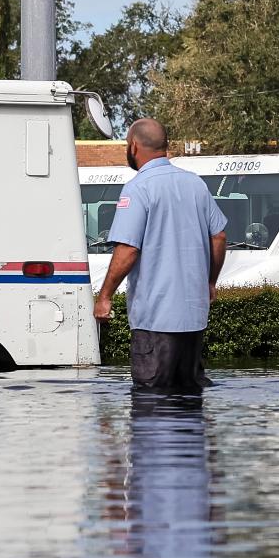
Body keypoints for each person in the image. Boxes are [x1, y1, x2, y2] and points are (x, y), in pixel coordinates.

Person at [93, 119, 228, 391]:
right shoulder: (196, 185)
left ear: (133, 146)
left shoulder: (138, 188)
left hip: (155, 320)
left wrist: (105, 296)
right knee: (188, 401)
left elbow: (129, 249)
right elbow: (219, 237)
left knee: (151, 400)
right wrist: (210, 282)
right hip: (193, 319)